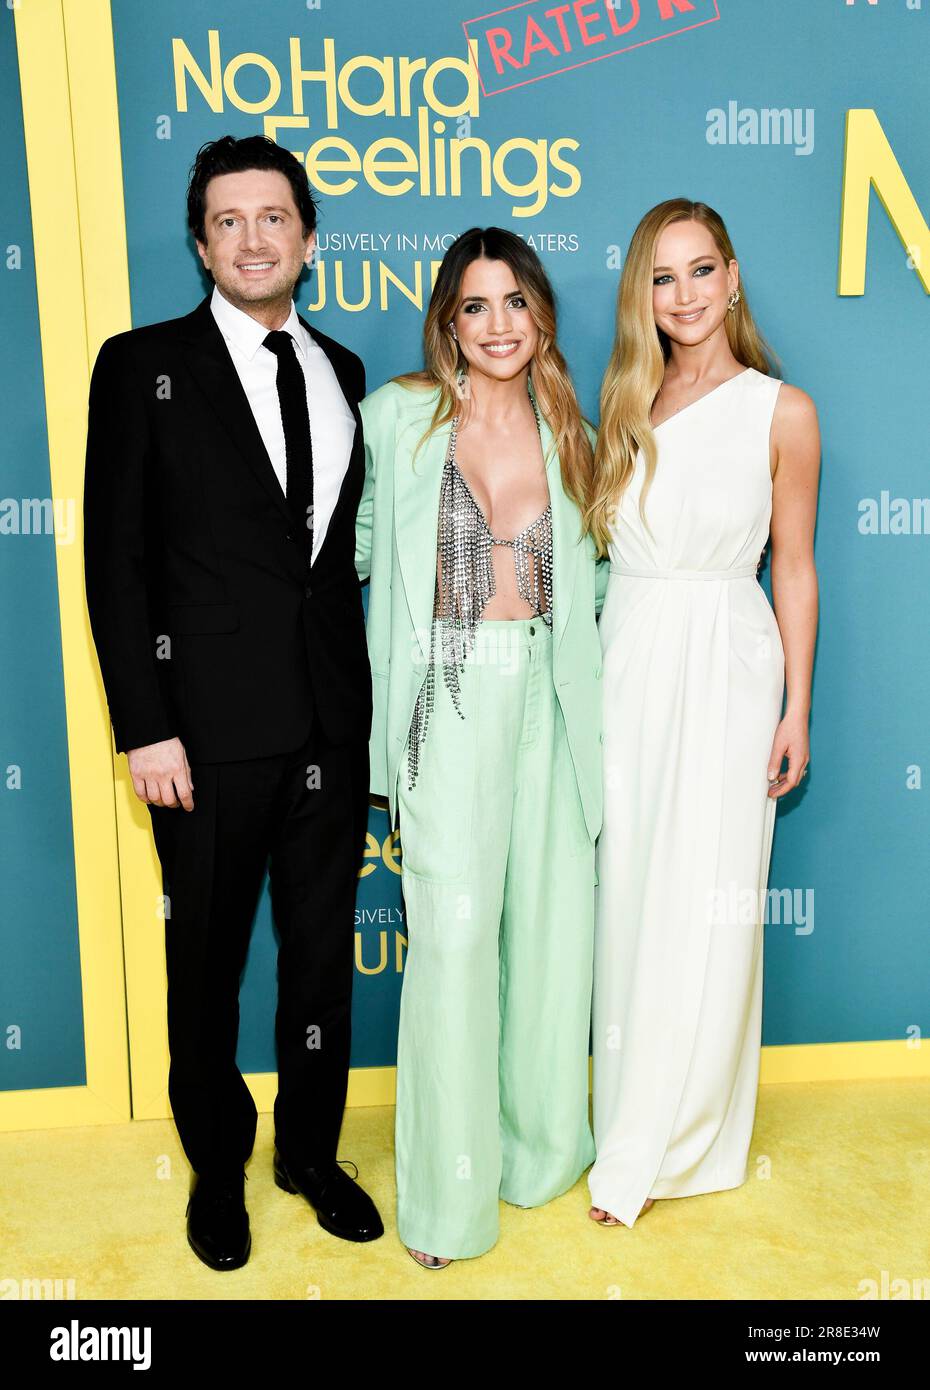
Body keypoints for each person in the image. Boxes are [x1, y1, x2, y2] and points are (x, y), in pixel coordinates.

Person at [83, 134, 383, 1270]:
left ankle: (310, 1153)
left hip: (329, 721)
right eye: (228, 220)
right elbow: (116, 563)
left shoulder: (344, 369)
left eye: (274, 218)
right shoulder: (141, 366)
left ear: (307, 238)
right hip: (201, 735)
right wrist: (145, 726)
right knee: (205, 967)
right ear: (202, 243)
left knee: (319, 959)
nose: (253, 239)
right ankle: (218, 1169)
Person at [355, 227, 608, 1266]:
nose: (498, 324)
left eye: (516, 302)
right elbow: (346, 549)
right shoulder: (398, 416)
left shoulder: (575, 429)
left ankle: (539, 1158)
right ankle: (448, 1202)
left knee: (551, 937)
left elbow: (601, 581)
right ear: (448, 322)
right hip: (447, 699)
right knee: (454, 949)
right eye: (475, 305)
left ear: (540, 313)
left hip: (554, 697)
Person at [585, 198, 820, 1228]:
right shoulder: (623, 404)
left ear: (732, 278)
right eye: (661, 276)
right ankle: (627, 1120)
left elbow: (795, 567)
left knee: (712, 896)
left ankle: (680, 1143)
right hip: (627, 659)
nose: (682, 294)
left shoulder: (783, 410)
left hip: (729, 660)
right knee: (633, 896)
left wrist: (797, 707)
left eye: (700, 270)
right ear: (642, 294)